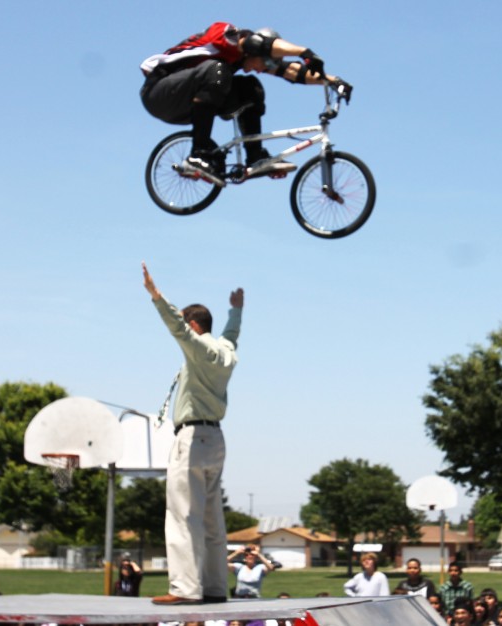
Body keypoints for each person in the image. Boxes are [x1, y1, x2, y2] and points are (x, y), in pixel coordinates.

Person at [142, 262, 244, 606]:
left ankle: (185, 588)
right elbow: (231, 335)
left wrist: (157, 297)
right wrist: (236, 311)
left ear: (194, 324)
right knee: (213, 518)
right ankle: (215, 588)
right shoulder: (226, 352)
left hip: (192, 438)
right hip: (216, 440)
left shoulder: (199, 349)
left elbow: (178, 330)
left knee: (183, 514)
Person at [140, 22, 352, 186]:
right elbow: (256, 44)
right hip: (159, 92)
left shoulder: (245, 58)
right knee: (218, 70)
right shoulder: (228, 35)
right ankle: (198, 154)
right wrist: (305, 52)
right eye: (266, 62)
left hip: (186, 104)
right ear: (256, 49)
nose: (263, 68)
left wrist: (333, 80)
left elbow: (291, 72)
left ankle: (255, 157)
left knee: (251, 88)